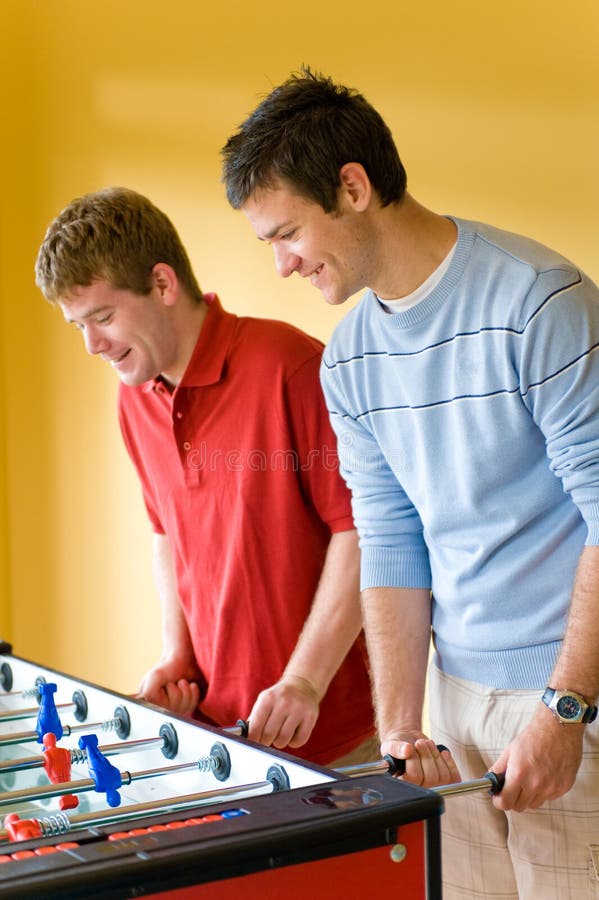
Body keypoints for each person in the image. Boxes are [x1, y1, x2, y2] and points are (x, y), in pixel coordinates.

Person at [221, 68, 599, 898]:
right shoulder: (351, 360)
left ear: (352, 188)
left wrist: (566, 708)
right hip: (452, 707)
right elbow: (391, 540)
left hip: (573, 698)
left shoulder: (541, 303)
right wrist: (399, 728)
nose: (281, 265)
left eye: (286, 233)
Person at [34, 186, 377, 768]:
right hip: (218, 738)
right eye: (78, 327)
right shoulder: (133, 400)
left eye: (103, 317)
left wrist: (304, 682)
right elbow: (166, 534)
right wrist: (178, 655)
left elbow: (363, 531)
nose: (92, 345)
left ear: (163, 285)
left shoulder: (288, 366)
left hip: (332, 739)